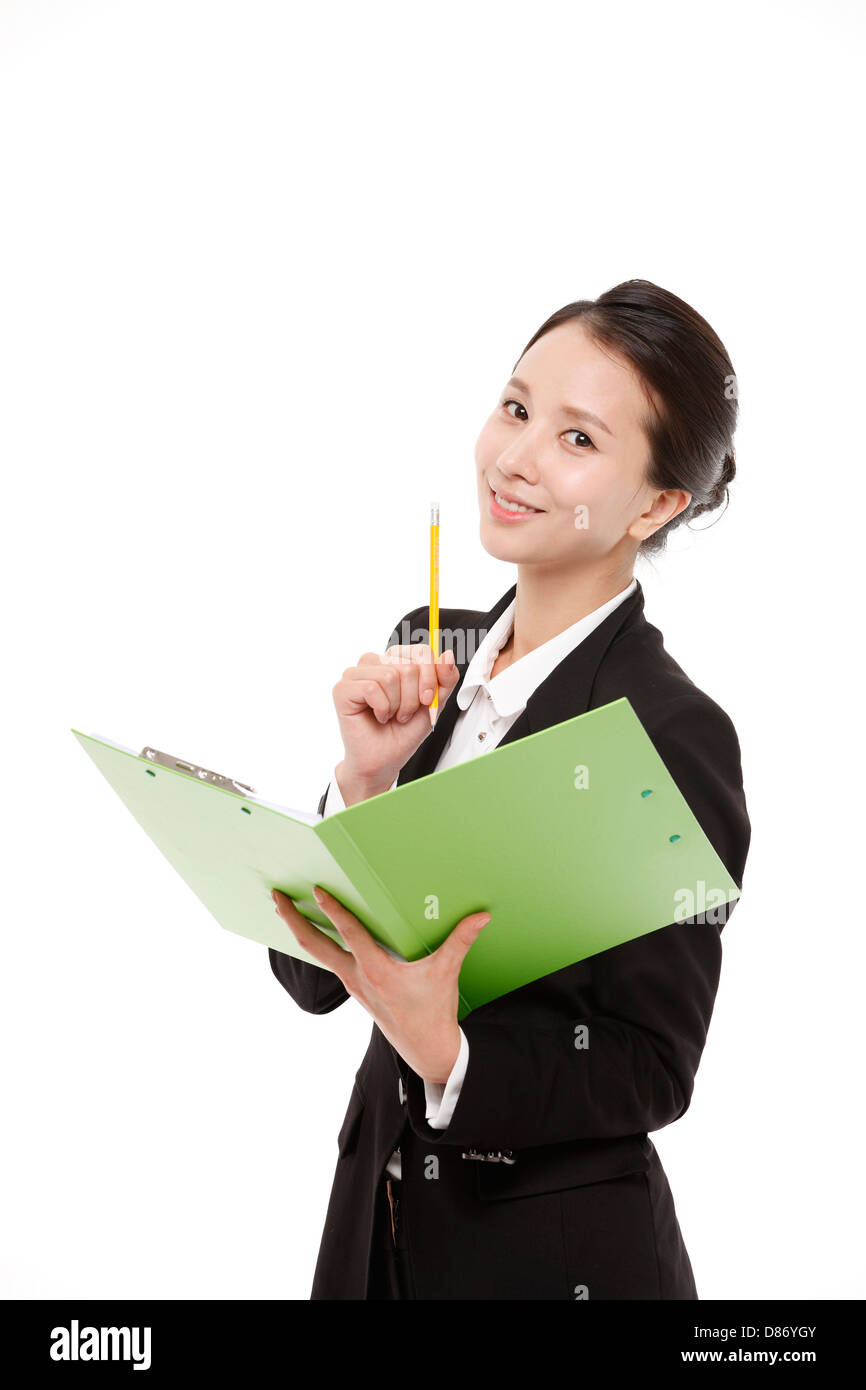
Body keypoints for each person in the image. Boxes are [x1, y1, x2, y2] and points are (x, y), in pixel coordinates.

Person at [268, 279, 751, 1300]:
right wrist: (362, 783)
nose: (515, 457)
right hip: (371, 1241)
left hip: (548, 1262)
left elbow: (651, 1065)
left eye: (578, 441)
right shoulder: (425, 644)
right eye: (517, 406)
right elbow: (312, 977)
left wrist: (448, 1051)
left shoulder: (666, 732)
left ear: (657, 502)